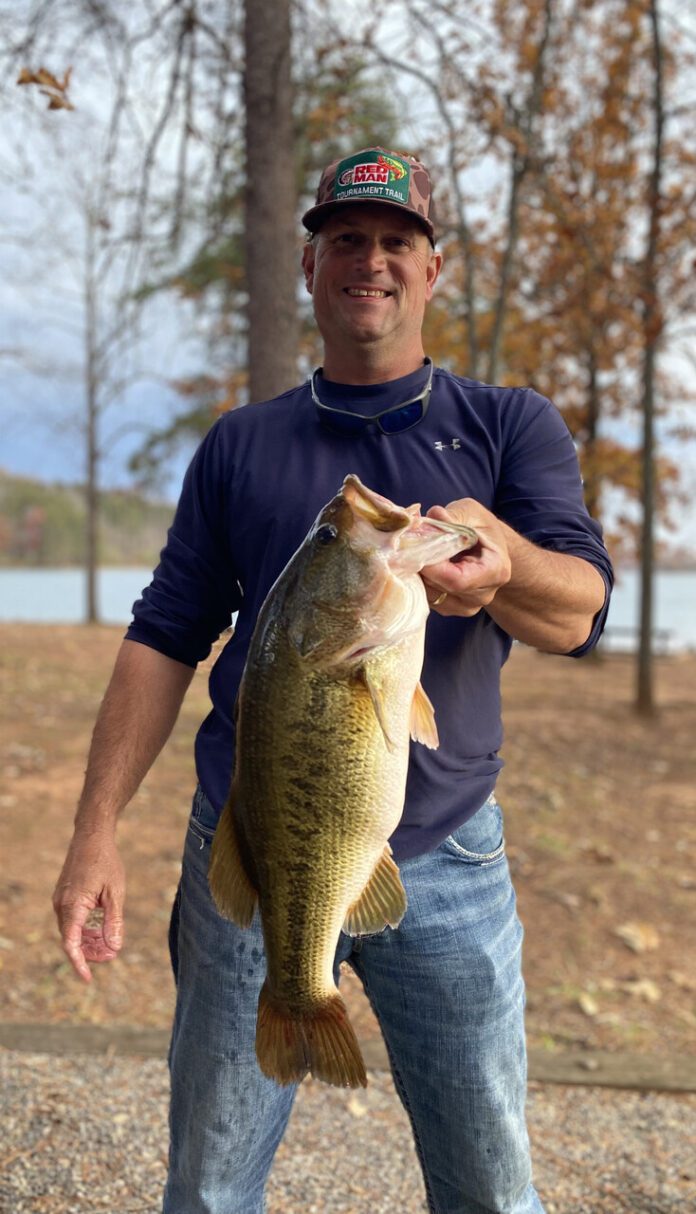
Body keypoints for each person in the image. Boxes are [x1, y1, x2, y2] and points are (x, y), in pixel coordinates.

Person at [53, 146, 613, 1214]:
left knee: (493, 1186)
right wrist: (95, 827)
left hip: (447, 853)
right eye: (345, 241)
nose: (371, 262)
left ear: (433, 270)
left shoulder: (510, 426)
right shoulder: (241, 443)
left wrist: (504, 567)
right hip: (251, 838)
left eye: (396, 241)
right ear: (311, 268)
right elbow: (165, 634)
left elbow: (578, 605)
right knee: (208, 1186)